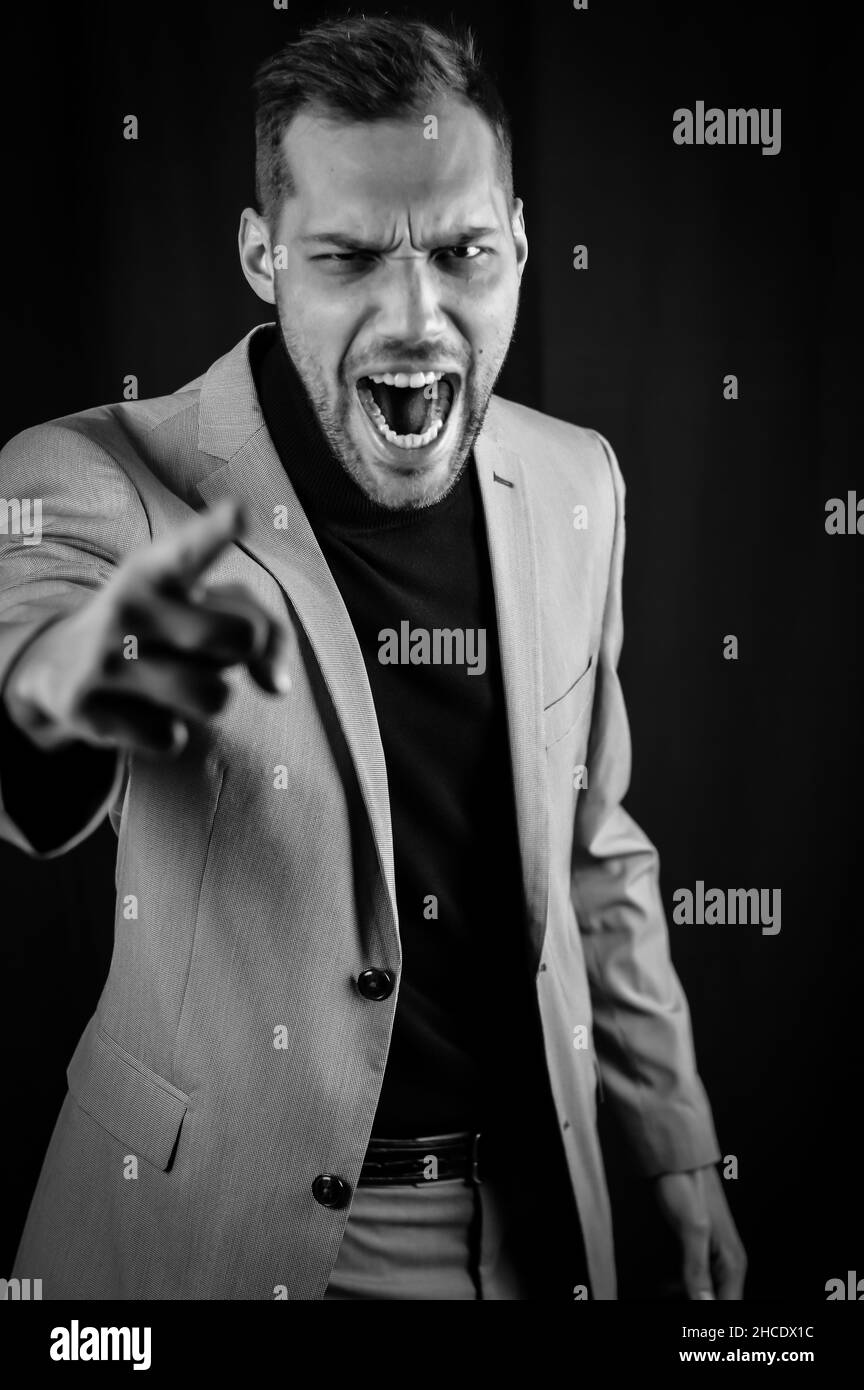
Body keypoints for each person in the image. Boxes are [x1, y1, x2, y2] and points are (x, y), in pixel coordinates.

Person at [0, 15, 746, 1300]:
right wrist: (64, 699)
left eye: (461, 252)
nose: (417, 315)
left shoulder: (580, 484)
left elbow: (594, 854)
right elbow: (31, 712)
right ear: (263, 257)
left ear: (516, 242)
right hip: (199, 1248)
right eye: (347, 257)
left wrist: (678, 1157)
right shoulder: (96, 477)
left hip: (522, 1233)